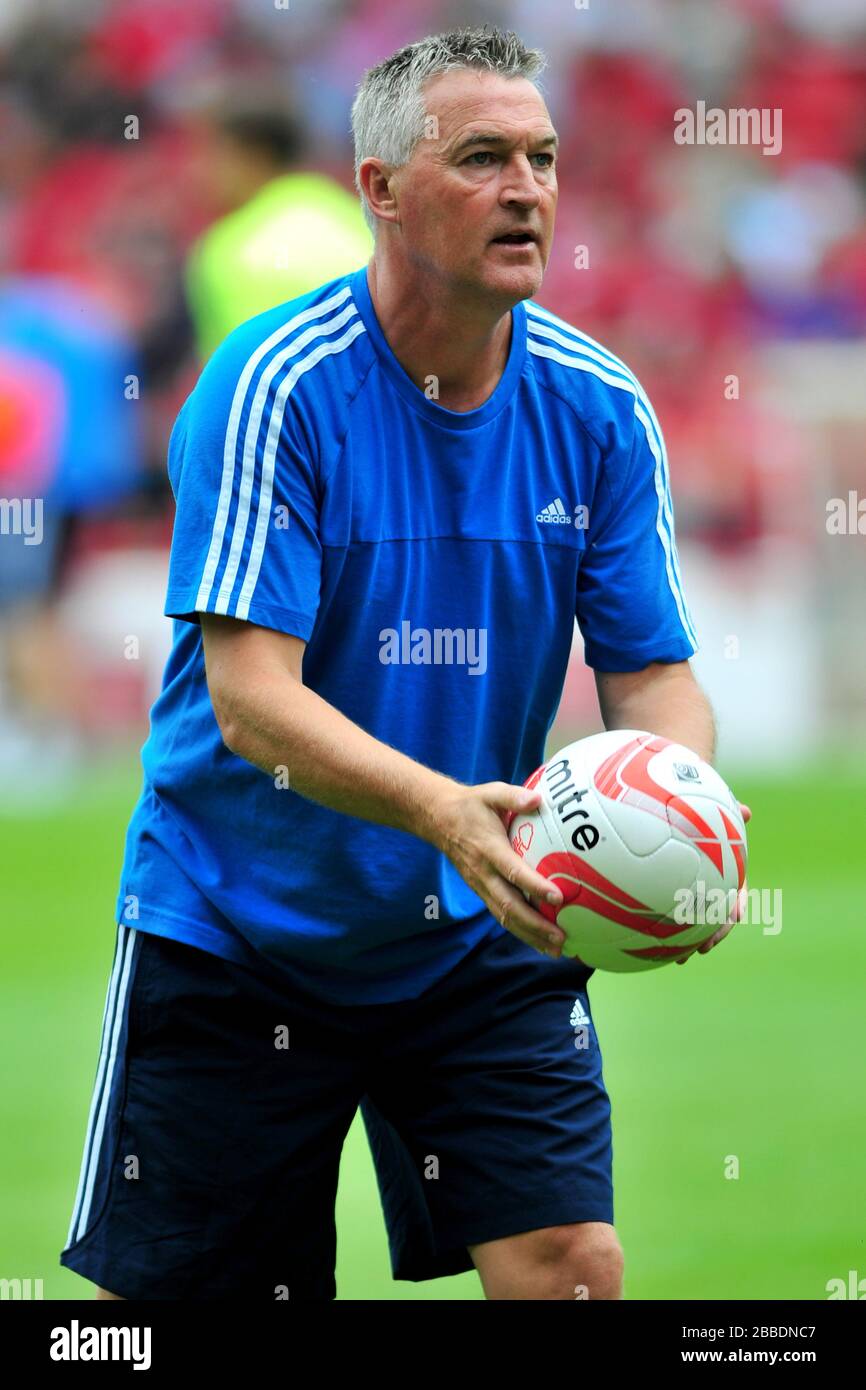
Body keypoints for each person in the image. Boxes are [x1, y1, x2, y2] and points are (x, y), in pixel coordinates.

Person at [60, 24, 748, 1302]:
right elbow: (251, 702)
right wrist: (442, 810)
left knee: (568, 1265)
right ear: (378, 190)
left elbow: (650, 669)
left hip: (481, 929)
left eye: (541, 158)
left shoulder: (600, 408)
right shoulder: (273, 386)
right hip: (238, 928)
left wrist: (677, 815)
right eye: (482, 157)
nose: (527, 188)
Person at [184, 87, 372, 359]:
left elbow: (246, 375)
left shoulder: (231, 250)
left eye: (208, 155)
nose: (196, 170)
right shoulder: (360, 220)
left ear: (251, 157)